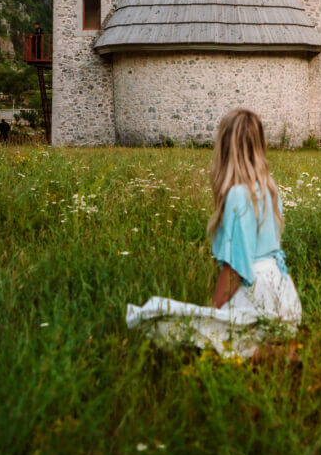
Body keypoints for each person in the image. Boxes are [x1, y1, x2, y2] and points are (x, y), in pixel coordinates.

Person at [126, 108, 302, 360]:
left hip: (257, 290)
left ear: (224, 147)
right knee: (229, 340)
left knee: (210, 341)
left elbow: (236, 268)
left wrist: (211, 310)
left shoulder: (238, 196)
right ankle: (277, 348)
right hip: (281, 288)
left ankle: (276, 354)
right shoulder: (270, 189)